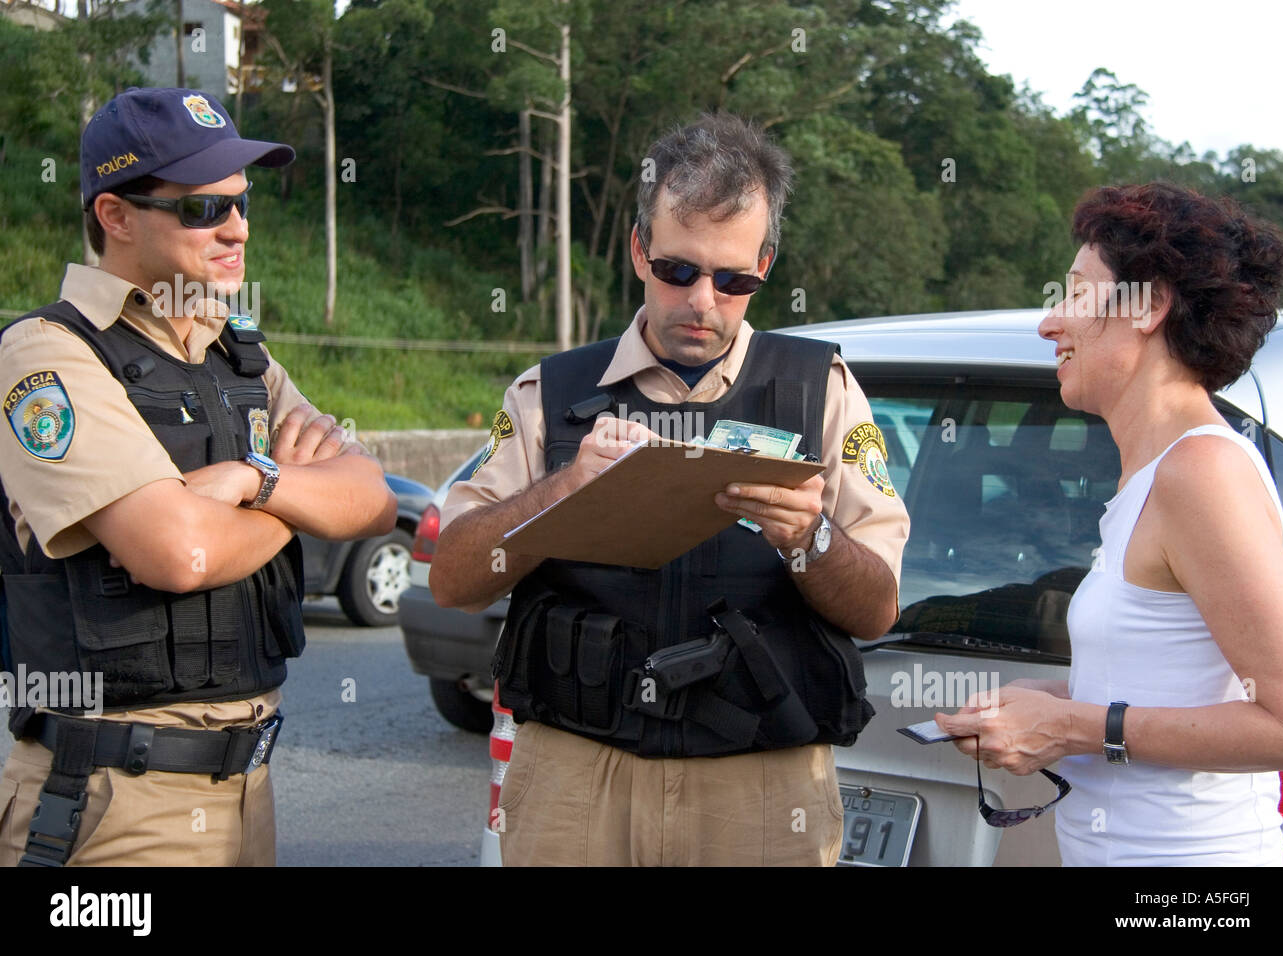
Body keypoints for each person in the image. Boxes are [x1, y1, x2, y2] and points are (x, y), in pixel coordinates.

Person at [431, 112, 910, 866]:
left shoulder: (823, 393)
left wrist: (809, 538)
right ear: (639, 251)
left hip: (758, 787)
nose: (703, 302)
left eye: (734, 280)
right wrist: (561, 490)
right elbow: (454, 580)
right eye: (679, 270)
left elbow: (877, 608)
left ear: (767, 267)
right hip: (577, 779)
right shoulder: (548, 392)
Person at [0, 86, 397, 867]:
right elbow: (176, 552)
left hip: (247, 795)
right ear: (115, 216)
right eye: (202, 210)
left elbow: (377, 501)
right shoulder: (47, 355)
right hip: (116, 803)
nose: (237, 227)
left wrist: (253, 483)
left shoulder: (234, 349)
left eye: (241, 202)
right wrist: (298, 492)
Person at [935, 182, 1283, 865]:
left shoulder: (1201, 473)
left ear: (1149, 306)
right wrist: (1050, 703)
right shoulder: (1154, 473)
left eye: (1075, 293)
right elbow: (1177, 682)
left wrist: (1075, 724)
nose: (1050, 323)